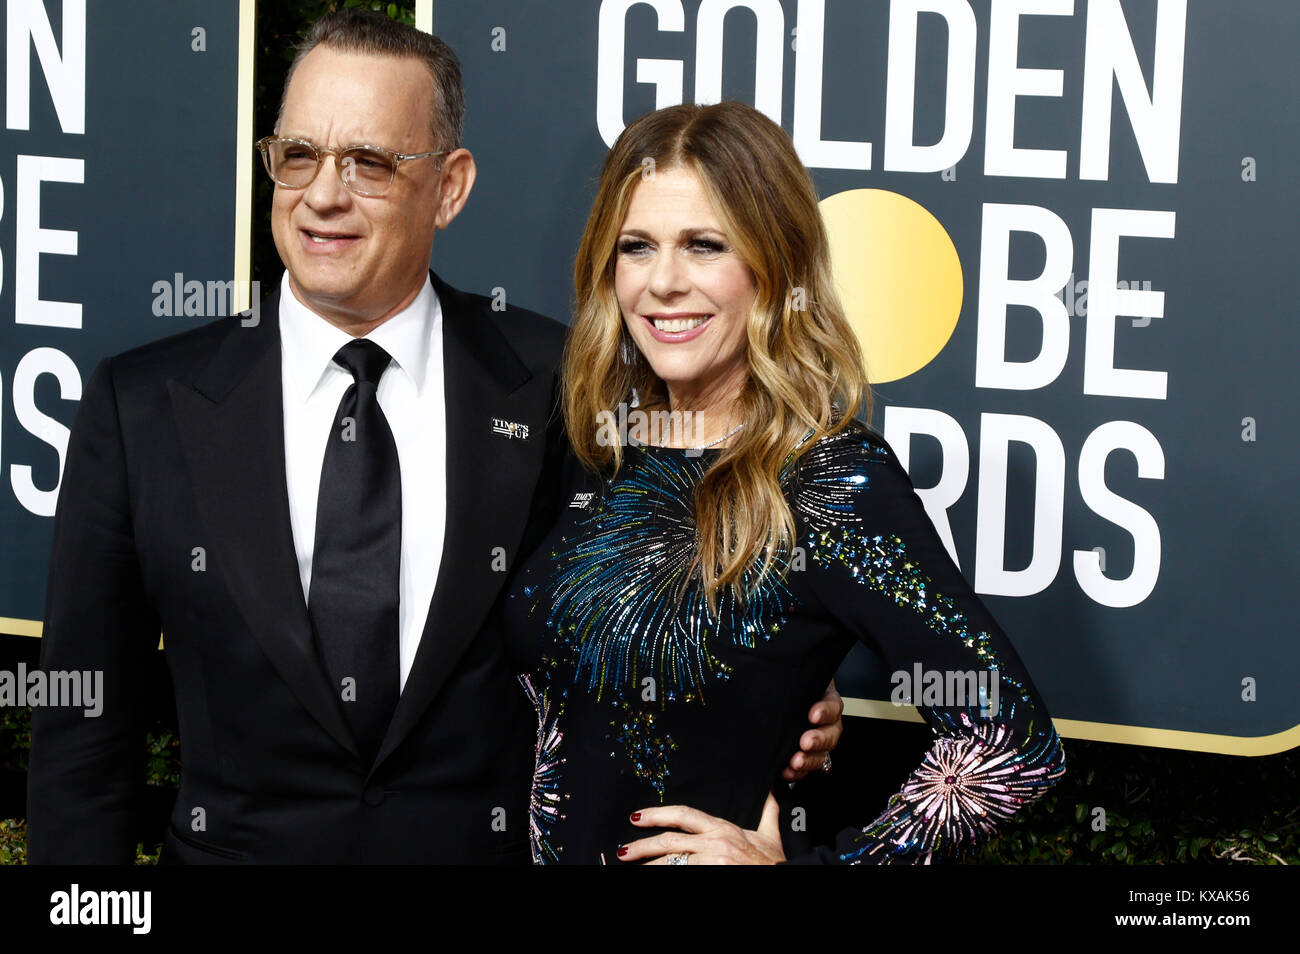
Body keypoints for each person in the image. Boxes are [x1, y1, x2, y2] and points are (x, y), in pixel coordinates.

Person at [24, 10, 837, 864]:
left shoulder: (571, 388)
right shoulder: (145, 405)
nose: (323, 195)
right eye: (297, 156)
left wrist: (783, 691)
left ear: (449, 187)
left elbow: (648, 625)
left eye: (369, 163)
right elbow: (84, 730)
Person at [502, 100, 1067, 864]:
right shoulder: (597, 447)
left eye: (704, 246)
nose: (663, 282)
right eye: (637, 247)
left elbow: (1008, 743)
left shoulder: (832, 481)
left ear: (774, 265)